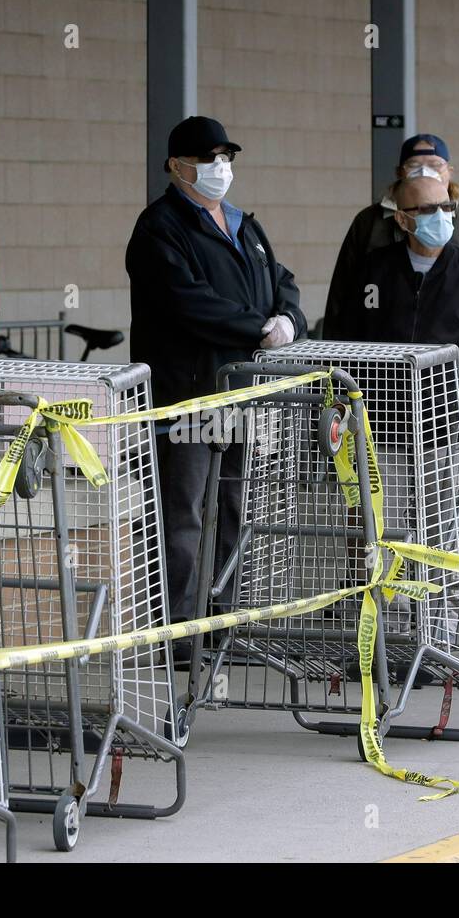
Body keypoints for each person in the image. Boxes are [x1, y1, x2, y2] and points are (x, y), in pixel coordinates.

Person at [126, 115, 306, 643]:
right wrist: (257, 327)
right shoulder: (160, 227)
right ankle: (178, 632)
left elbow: (282, 279)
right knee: (181, 512)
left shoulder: (243, 224)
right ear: (176, 166)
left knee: (234, 506)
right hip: (188, 395)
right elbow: (186, 302)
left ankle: (228, 624)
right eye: (208, 159)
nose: (219, 168)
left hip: (242, 394)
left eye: (225, 157)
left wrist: (289, 318)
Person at [324, 133, 459, 337]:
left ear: (449, 171)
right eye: (414, 164)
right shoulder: (371, 236)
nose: (425, 171)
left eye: (446, 208)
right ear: (401, 219)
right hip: (387, 362)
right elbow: (345, 302)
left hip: (453, 361)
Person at [327, 173, 459, 346]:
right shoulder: (374, 270)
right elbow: (348, 334)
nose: (440, 216)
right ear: (402, 220)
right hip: (384, 375)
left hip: (451, 375)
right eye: (428, 209)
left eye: (447, 207)